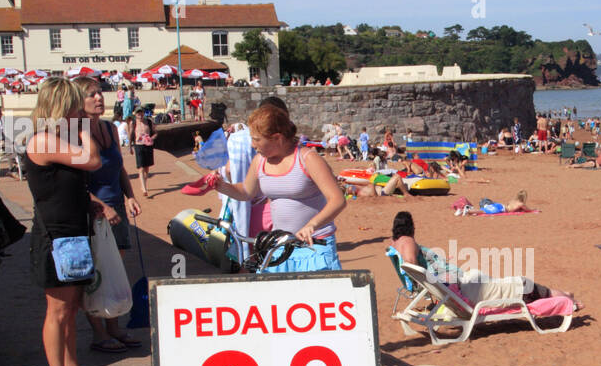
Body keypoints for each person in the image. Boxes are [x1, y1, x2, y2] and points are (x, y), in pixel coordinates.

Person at [23, 77, 104, 366]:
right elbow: (93, 159)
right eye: (75, 104)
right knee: (57, 311)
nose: (80, 109)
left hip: (73, 232)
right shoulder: (43, 140)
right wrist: (85, 126)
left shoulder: (57, 139)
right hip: (55, 237)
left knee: (70, 308)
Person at [210, 103, 345, 271]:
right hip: (279, 246)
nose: (253, 145)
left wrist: (312, 225)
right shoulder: (260, 161)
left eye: (257, 139)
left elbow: (337, 200)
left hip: (315, 244)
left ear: (277, 138)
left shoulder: (308, 159)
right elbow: (246, 192)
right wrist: (221, 186)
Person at [75, 78, 143, 353]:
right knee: (96, 275)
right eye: (91, 95)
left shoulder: (109, 128)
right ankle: (99, 333)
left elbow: (120, 169)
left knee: (116, 270)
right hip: (93, 211)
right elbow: (74, 182)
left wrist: (130, 196)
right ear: (79, 101)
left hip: (116, 207)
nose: (99, 98)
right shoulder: (75, 133)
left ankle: (114, 327)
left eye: (100, 93)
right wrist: (102, 207)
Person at [390, 211, 578, 309]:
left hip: (458, 285)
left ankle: (563, 294)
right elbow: (412, 264)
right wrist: (436, 283)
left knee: (510, 284)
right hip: (463, 287)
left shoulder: (395, 244)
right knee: (521, 285)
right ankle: (567, 299)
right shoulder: (408, 242)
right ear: (410, 226)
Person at [132, 109, 155, 198]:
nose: (140, 115)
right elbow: (130, 135)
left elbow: (155, 133)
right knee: (140, 168)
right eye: (138, 113)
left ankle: (144, 184)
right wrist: (130, 147)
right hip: (138, 146)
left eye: (141, 113)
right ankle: (144, 188)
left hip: (148, 145)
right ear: (135, 114)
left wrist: (151, 138)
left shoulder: (148, 122)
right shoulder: (133, 123)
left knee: (146, 168)